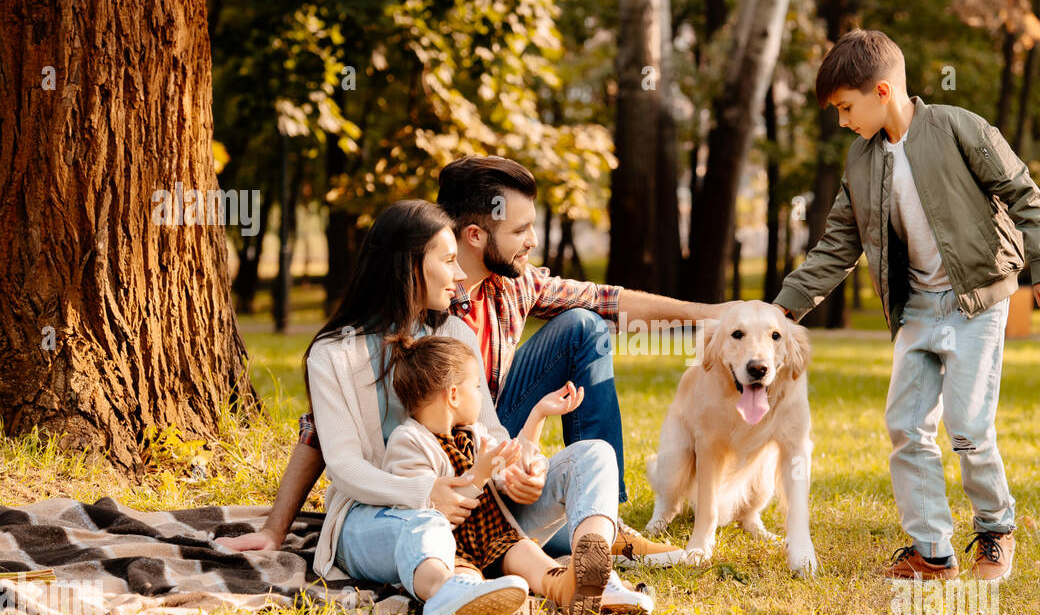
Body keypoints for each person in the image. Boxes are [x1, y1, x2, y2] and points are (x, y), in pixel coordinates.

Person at [220, 158, 734, 567]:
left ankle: (598, 528)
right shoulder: (370, 336)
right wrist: (275, 527)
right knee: (438, 531)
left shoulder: (506, 289)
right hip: (417, 467)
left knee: (585, 327)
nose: (531, 242)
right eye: (520, 230)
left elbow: (606, 300)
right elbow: (332, 435)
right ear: (473, 235)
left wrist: (709, 313)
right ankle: (542, 548)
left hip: (483, 450)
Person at [229, 199, 649, 615]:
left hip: (483, 516)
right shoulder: (333, 353)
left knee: (594, 455)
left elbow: (488, 430)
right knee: (424, 523)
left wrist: (515, 472)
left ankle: (594, 575)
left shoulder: (455, 333)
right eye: (449, 260)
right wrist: (426, 494)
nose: (461, 274)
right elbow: (343, 465)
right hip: (378, 519)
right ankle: (451, 590)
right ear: (409, 266)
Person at [772, 29, 1040, 583]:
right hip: (916, 309)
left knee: (968, 426)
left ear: (882, 91)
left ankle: (995, 530)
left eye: (845, 108)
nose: (842, 121)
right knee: (906, 426)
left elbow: (1025, 193)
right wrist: (784, 309)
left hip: (976, 301)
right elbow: (840, 241)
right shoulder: (861, 160)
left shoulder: (959, 127)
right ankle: (932, 552)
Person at [382, 335, 644, 615]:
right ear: (454, 395)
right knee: (464, 580)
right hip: (451, 548)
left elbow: (514, 461)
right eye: (477, 387)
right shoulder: (408, 441)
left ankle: (571, 586)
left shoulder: (474, 433)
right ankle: (475, 598)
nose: (482, 396)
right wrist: (480, 472)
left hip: (497, 538)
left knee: (534, 561)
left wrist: (539, 414)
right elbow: (424, 515)